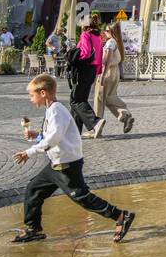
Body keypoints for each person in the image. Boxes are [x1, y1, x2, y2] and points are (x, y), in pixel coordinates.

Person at [10, 74, 136, 244]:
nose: (30, 98)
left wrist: (29, 152)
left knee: (82, 198)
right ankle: (34, 229)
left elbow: (53, 139)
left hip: (66, 166)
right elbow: (51, 137)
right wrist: (37, 135)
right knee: (34, 189)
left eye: (32, 94)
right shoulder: (51, 110)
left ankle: (121, 215)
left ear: (43, 93)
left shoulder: (57, 111)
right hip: (55, 164)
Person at [90, 22, 135, 138]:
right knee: (109, 97)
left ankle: (97, 127)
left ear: (112, 32)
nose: (104, 32)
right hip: (115, 72)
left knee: (100, 99)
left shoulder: (110, 43)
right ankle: (124, 116)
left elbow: (106, 60)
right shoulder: (117, 42)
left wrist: (103, 73)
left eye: (106, 30)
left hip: (108, 71)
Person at [72, 19, 104, 134]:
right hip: (93, 70)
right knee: (80, 100)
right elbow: (100, 56)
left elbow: (85, 53)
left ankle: (95, 122)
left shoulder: (86, 35)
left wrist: (75, 59)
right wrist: (98, 71)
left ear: (84, 27)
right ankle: (74, 131)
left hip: (84, 69)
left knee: (76, 100)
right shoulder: (98, 37)